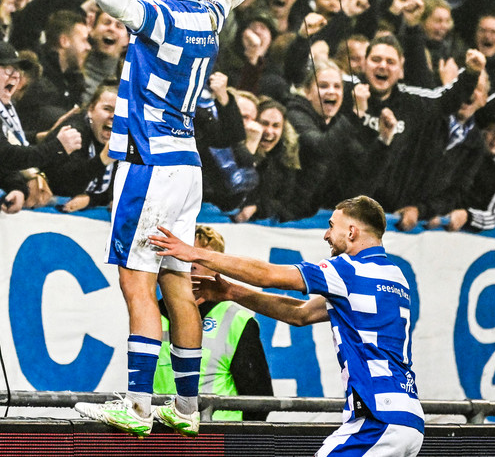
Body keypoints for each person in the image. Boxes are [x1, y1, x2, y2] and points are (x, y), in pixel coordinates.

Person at [65, 0, 269, 437]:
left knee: (137, 282)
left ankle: (136, 406)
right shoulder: (207, 16)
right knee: (178, 281)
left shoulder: (166, 14)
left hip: (148, 163)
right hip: (186, 164)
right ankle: (184, 405)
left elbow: (127, 10)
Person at [152, 195, 424, 456]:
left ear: (351, 232)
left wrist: (194, 253)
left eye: (331, 226)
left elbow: (269, 275)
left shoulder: (349, 270)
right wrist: (232, 292)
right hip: (408, 417)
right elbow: (300, 314)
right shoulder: (394, 276)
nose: (326, 235)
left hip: (377, 417)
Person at [153, 224, 273, 422]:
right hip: (159, 438)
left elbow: (259, 400)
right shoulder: (151, 315)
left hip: (217, 441)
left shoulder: (237, 321)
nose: (192, 262)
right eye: (185, 253)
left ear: (217, 266)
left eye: (200, 255)